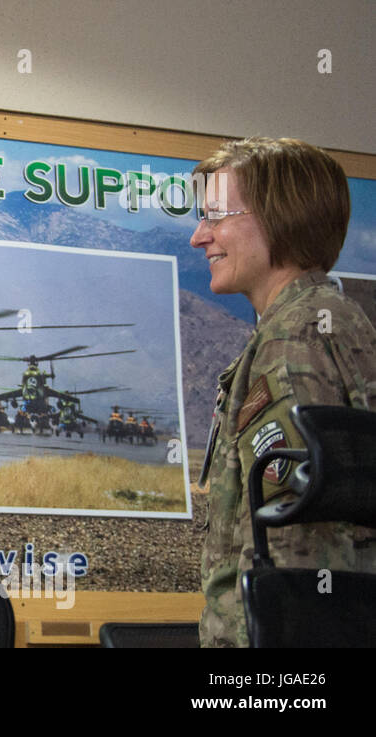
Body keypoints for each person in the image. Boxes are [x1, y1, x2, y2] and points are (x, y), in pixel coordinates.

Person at [191, 136, 376, 648]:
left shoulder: (296, 335)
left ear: (279, 218)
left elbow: (296, 535)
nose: (198, 237)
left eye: (215, 216)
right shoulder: (329, 318)